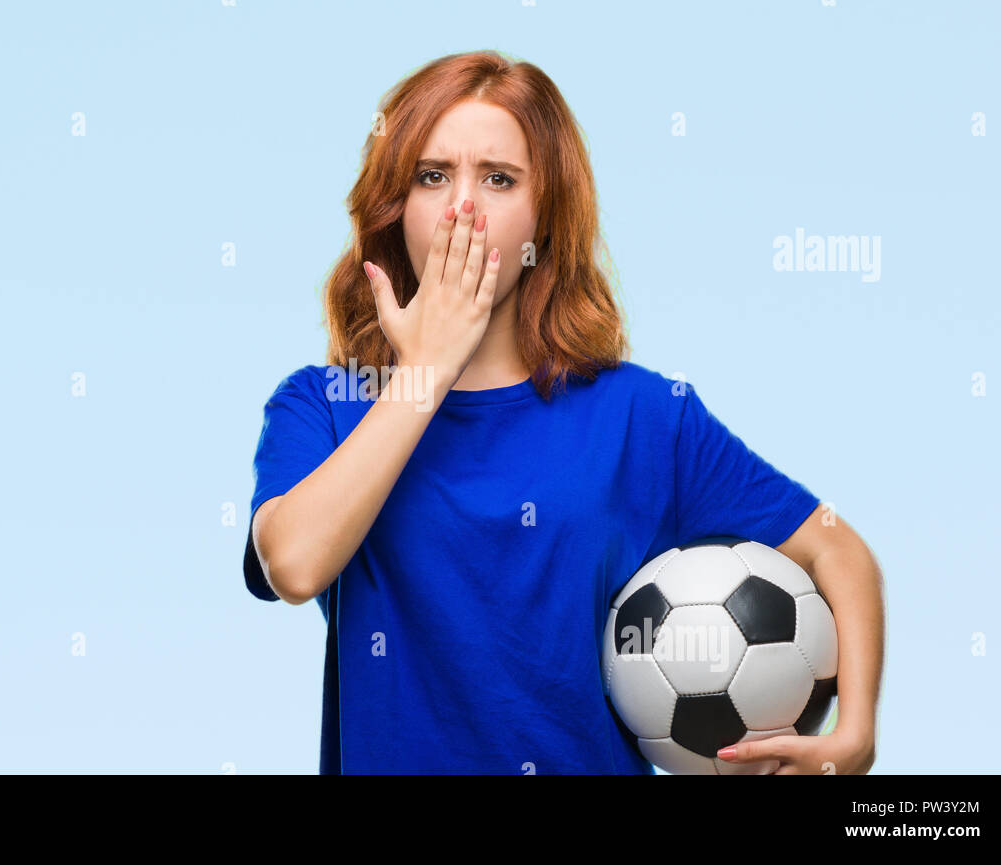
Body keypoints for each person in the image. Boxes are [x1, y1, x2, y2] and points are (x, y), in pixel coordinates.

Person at [242, 50, 881, 775]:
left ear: (544, 220)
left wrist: (853, 734)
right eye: (432, 176)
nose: (462, 207)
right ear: (397, 209)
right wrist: (425, 373)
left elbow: (839, 550)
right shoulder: (324, 405)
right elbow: (292, 562)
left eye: (499, 178)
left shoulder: (641, 415)